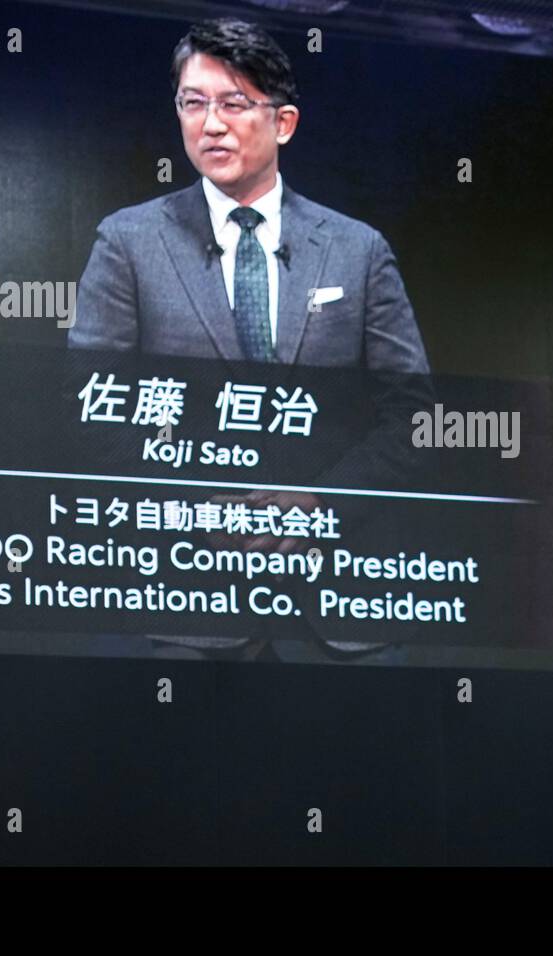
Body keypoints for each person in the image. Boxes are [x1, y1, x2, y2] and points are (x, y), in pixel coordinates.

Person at [69, 18, 431, 665]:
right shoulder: (126, 243)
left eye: (233, 103)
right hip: (188, 607)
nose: (210, 124)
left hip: (344, 610)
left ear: (284, 123)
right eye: (193, 102)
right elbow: (92, 411)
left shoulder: (358, 251)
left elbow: (414, 418)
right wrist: (207, 513)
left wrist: (317, 502)